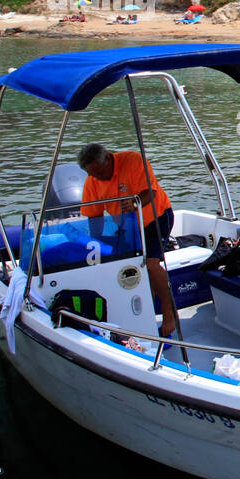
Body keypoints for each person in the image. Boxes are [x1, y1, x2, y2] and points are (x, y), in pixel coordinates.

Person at [78, 143, 179, 338]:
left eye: (100, 172)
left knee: (150, 265)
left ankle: (169, 315)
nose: (98, 177)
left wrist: (135, 202)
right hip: (128, 226)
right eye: (92, 174)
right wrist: (95, 244)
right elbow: (94, 217)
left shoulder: (133, 160)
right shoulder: (92, 181)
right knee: (131, 266)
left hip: (155, 217)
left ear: (108, 158)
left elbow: (150, 192)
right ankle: (145, 312)